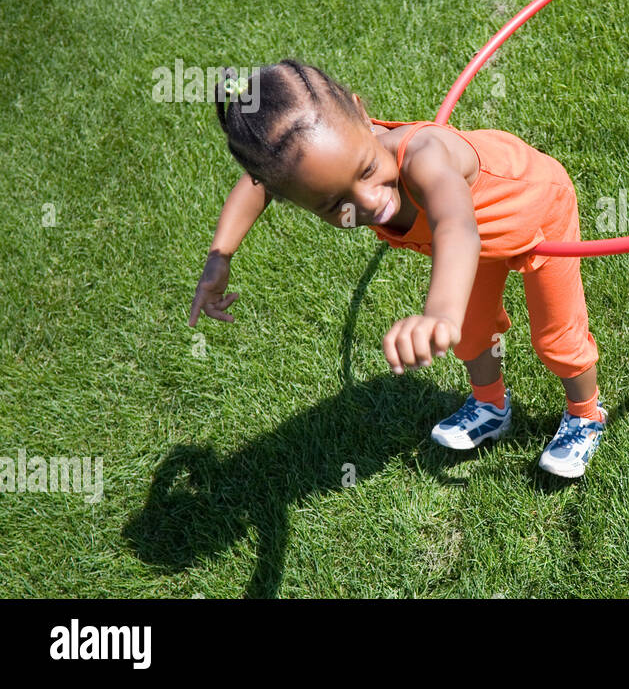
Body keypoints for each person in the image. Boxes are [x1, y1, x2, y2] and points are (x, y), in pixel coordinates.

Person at [188, 59, 607, 477]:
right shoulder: (307, 167)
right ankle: (491, 406)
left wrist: (440, 313)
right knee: (474, 333)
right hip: (481, 247)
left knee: (557, 338)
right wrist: (219, 258)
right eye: (336, 204)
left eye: (367, 170)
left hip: (538, 214)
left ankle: (586, 416)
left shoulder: (424, 155)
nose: (369, 201)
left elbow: (457, 228)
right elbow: (254, 185)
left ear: (362, 115)